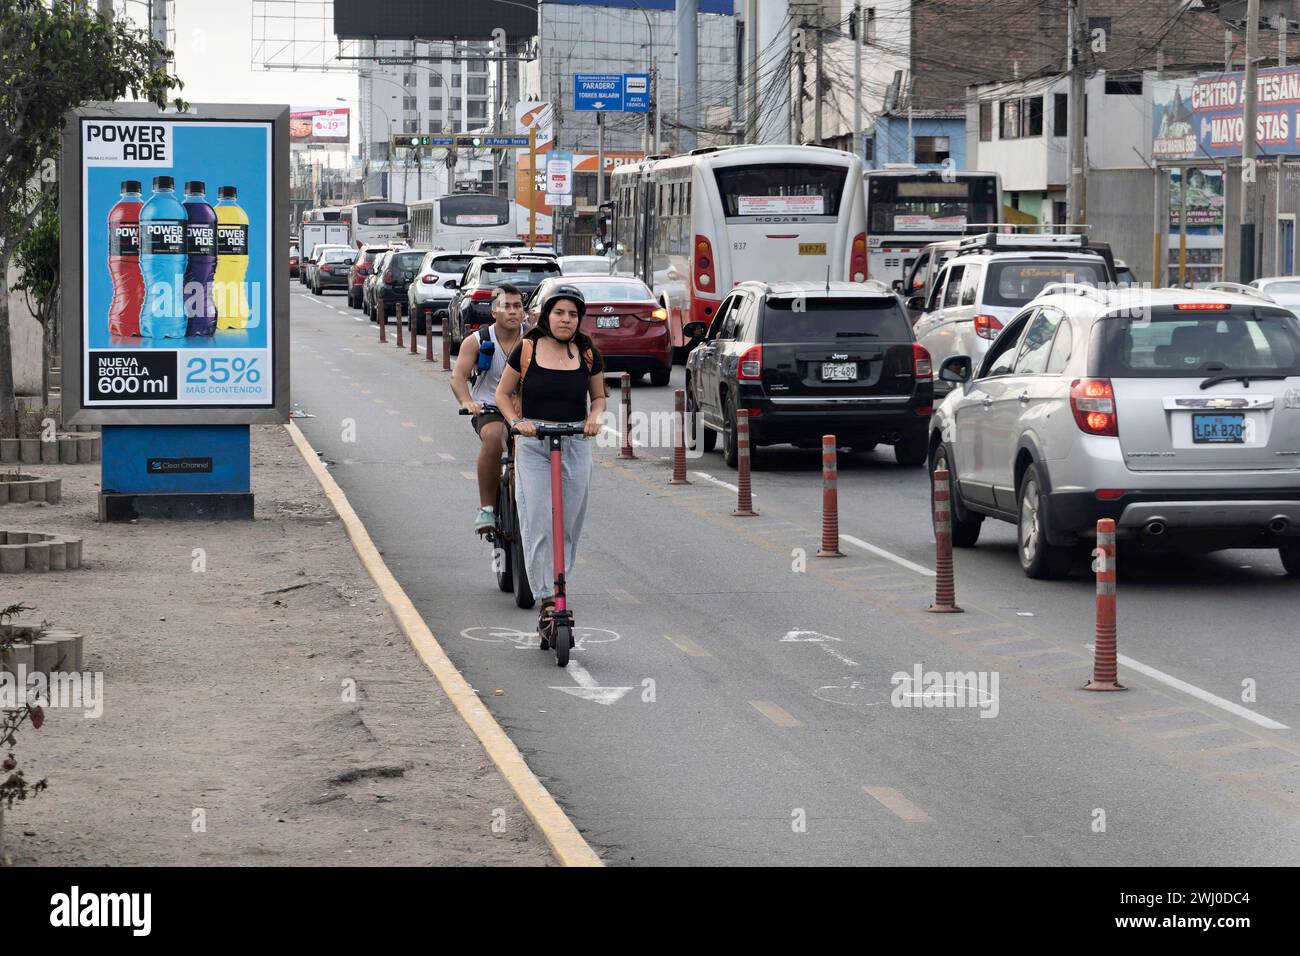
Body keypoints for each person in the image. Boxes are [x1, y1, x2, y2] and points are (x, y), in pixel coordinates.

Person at [495, 285, 606, 638]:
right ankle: (548, 599)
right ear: (547, 315)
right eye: (559, 313)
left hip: (574, 443)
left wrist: (595, 417)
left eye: (573, 314)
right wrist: (517, 422)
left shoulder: (587, 352)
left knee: (569, 525)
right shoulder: (527, 348)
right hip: (534, 445)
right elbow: (502, 393)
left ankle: (559, 585)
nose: (566, 320)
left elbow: (599, 397)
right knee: (539, 522)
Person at [450, 283, 524, 533]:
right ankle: (487, 509)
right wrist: (467, 401)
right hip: (490, 409)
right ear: (494, 312)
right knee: (493, 439)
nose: (512, 312)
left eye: (517, 306)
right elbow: (458, 376)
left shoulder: (535, 340)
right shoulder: (477, 340)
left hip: (527, 411)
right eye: (505, 307)